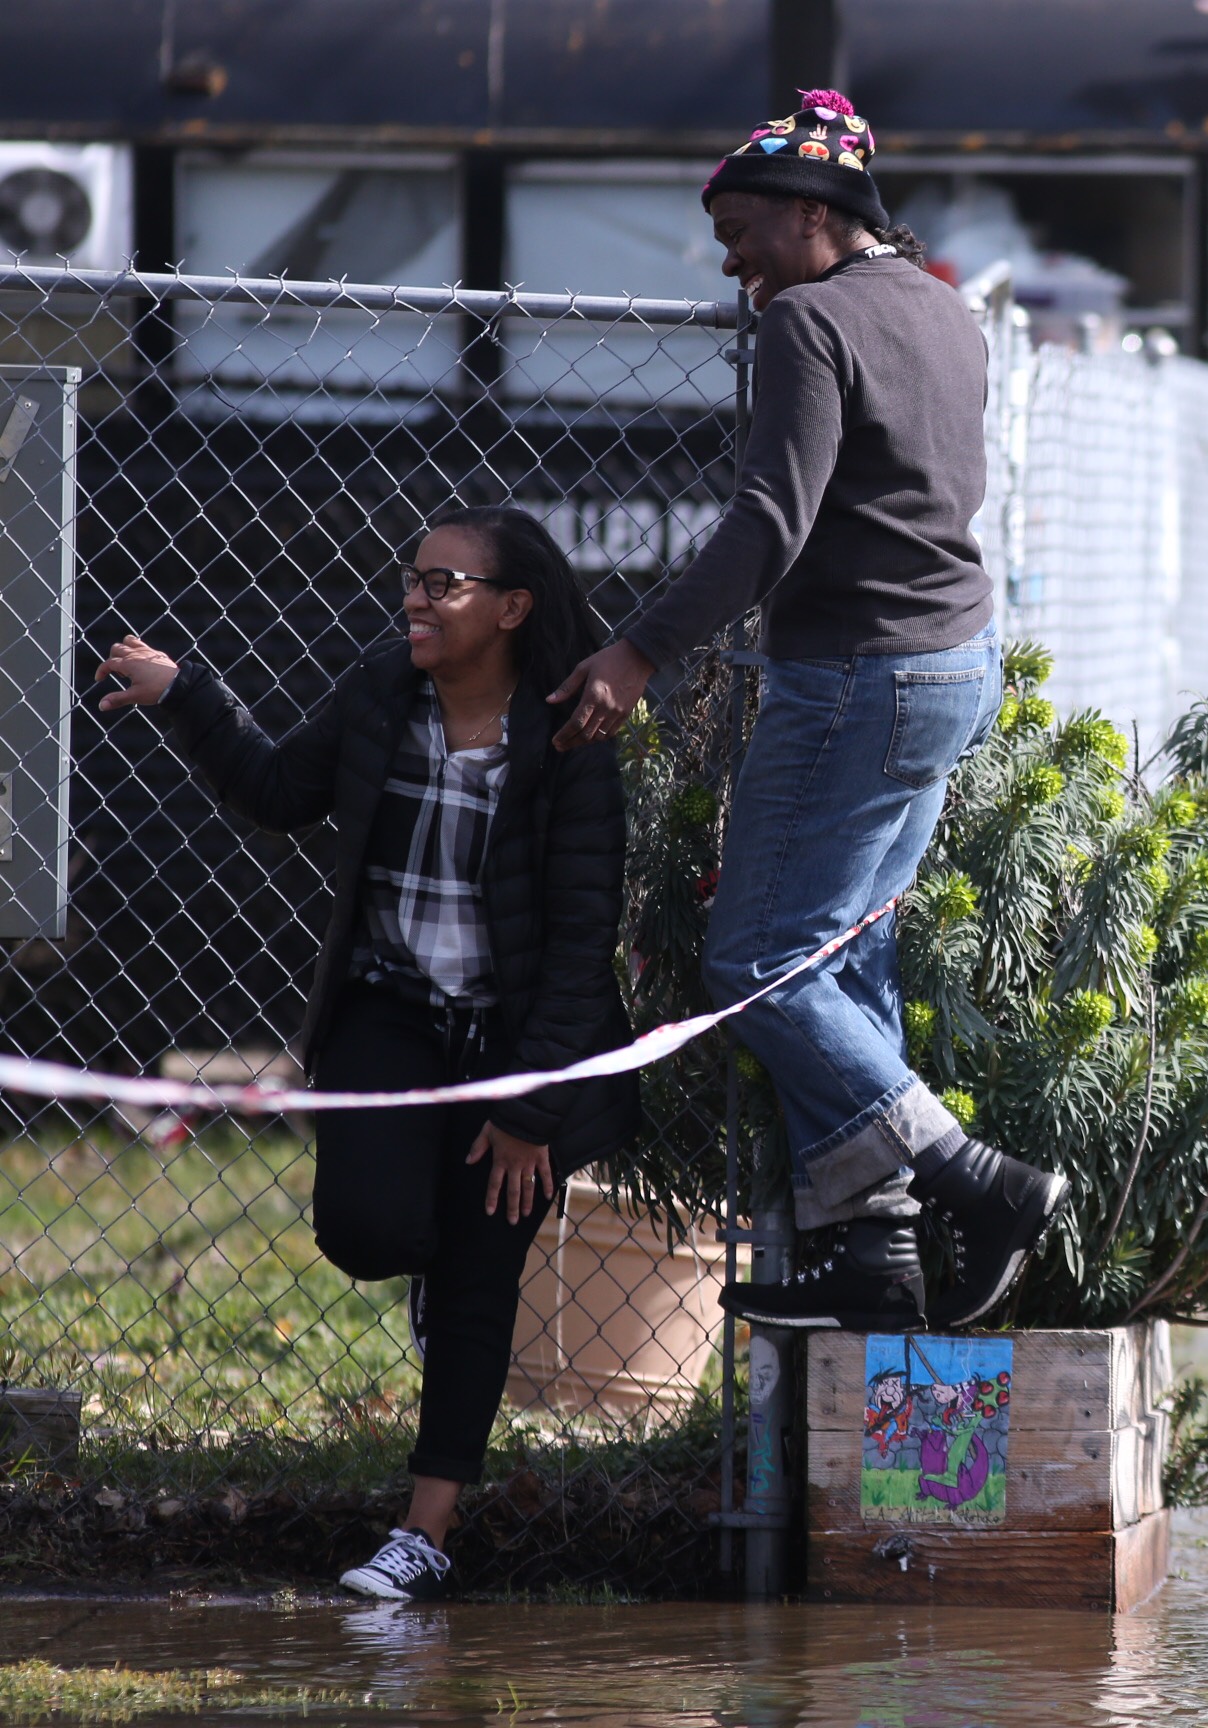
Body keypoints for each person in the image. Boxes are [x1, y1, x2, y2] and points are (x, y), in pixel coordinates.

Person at [544, 89, 1067, 1335]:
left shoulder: (811, 325)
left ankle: (970, 1180)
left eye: (738, 230)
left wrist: (637, 653)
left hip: (854, 678)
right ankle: (873, 1257)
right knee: (844, 953)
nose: (728, 260)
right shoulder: (945, 314)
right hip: (950, 664)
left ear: (809, 212)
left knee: (759, 964)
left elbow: (770, 525)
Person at [93, 505, 640, 1604]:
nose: (417, 600)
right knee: (367, 1229)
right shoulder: (384, 688)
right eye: (415, 578)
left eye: (446, 584)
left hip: (514, 1038)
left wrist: (531, 1107)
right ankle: (426, 1269)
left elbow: (583, 941)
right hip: (387, 1012)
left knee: (485, 1269)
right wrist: (187, 696)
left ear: (512, 608)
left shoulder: (567, 736)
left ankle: (423, 1538)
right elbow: (282, 792)